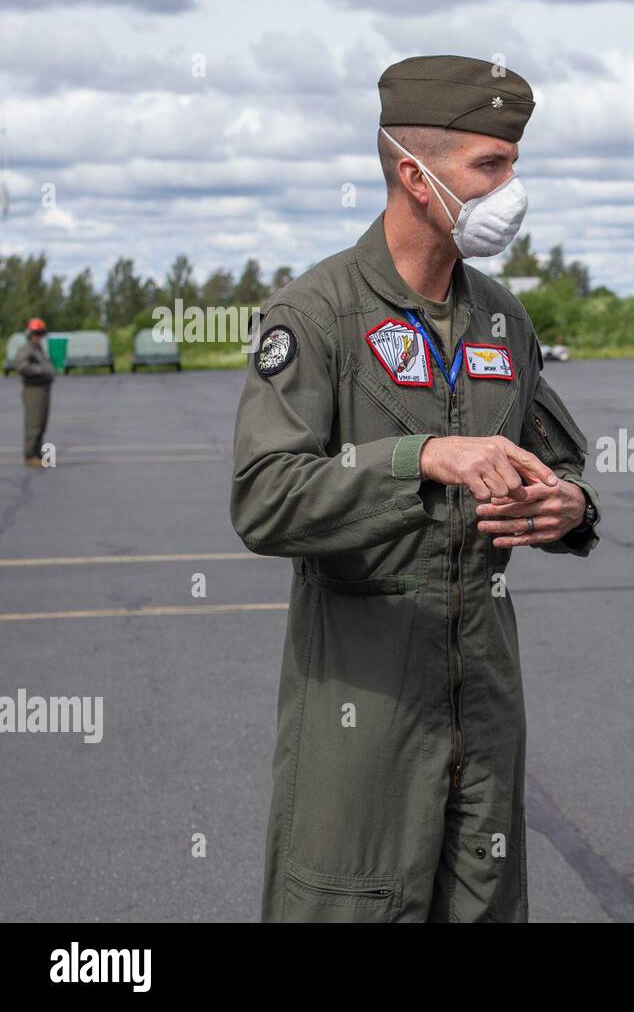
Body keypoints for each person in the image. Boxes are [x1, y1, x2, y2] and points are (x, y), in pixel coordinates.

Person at [229, 55, 600, 923]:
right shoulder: (315, 314)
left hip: (487, 699)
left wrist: (569, 508)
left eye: (515, 163)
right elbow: (264, 496)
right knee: (351, 904)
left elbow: (559, 458)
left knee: (485, 903)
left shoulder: (503, 319)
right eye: (491, 166)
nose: (513, 188)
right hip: (366, 704)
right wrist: (418, 457)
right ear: (416, 175)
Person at [15, 317, 55, 468]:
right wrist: (41, 370)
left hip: (43, 389)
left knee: (41, 422)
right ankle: (30, 455)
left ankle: (38, 452)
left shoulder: (38, 348)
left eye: (41, 333)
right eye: (37, 334)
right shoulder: (26, 349)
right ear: (30, 334)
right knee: (34, 423)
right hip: (33, 390)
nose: (39, 337)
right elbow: (22, 367)